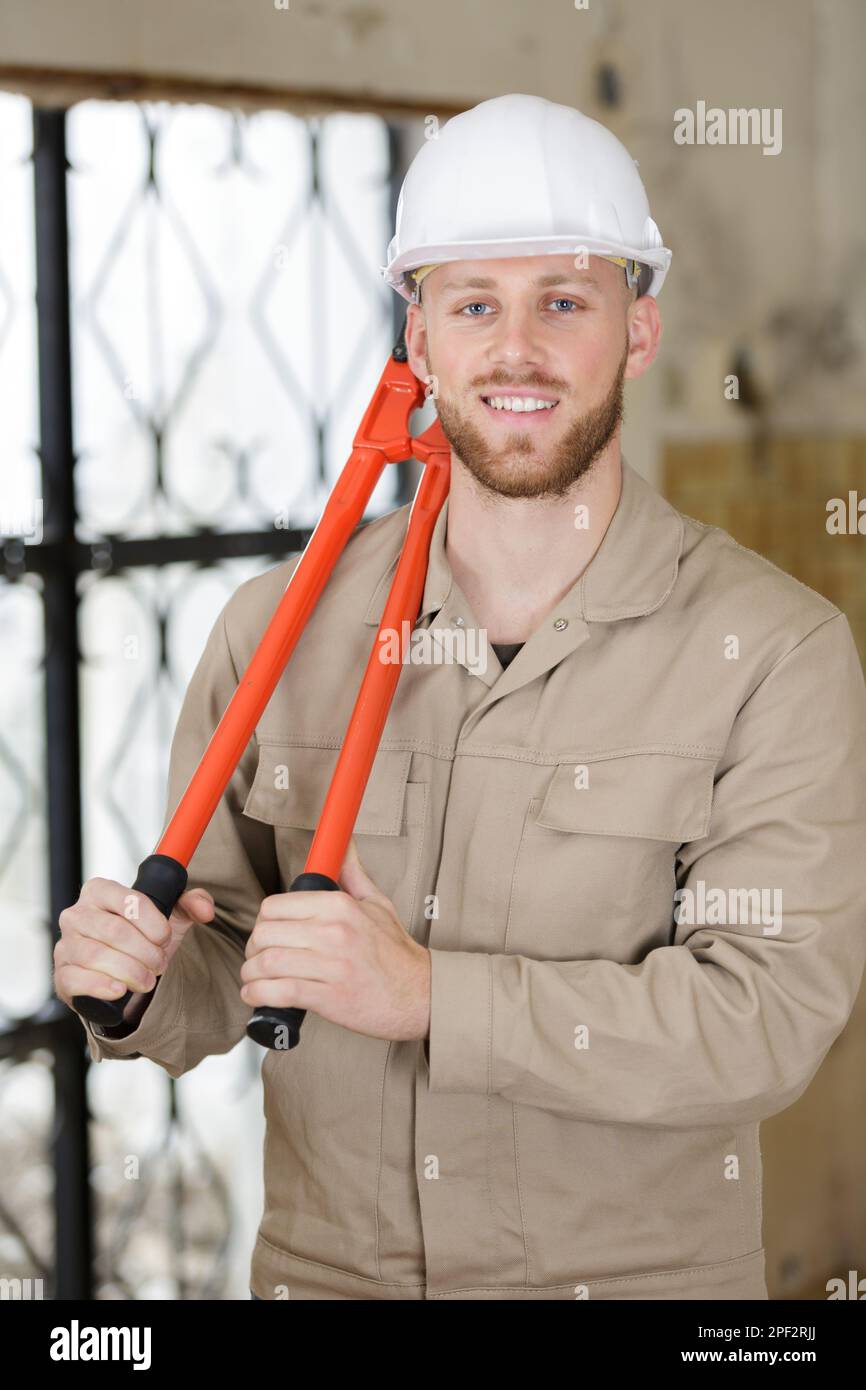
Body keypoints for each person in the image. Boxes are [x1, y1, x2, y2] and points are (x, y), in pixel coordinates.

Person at [55, 94, 866, 1301]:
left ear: (636, 332)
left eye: (564, 300)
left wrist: (433, 996)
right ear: (418, 339)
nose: (516, 349)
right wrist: (134, 982)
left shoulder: (775, 651)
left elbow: (763, 1021)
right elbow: (223, 970)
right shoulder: (275, 629)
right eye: (472, 303)